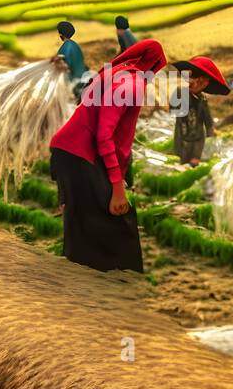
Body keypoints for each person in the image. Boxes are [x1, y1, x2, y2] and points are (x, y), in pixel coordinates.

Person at [48, 40, 177, 272]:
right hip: (79, 154)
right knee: (118, 216)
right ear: (152, 64)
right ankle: (119, 279)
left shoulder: (114, 74)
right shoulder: (132, 83)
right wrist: (117, 187)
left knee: (82, 223)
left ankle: (80, 278)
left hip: (68, 152)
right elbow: (104, 136)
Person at [170, 56, 230, 165]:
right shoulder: (179, 93)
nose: (196, 83)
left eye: (202, 81)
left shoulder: (202, 100)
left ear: (206, 83)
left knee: (194, 166)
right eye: (193, 78)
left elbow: (208, 123)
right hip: (182, 141)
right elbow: (174, 112)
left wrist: (205, 149)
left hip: (197, 142)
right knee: (181, 165)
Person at [52, 21, 88, 97]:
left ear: (61, 34)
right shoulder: (75, 45)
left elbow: (65, 66)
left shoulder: (66, 47)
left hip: (74, 82)